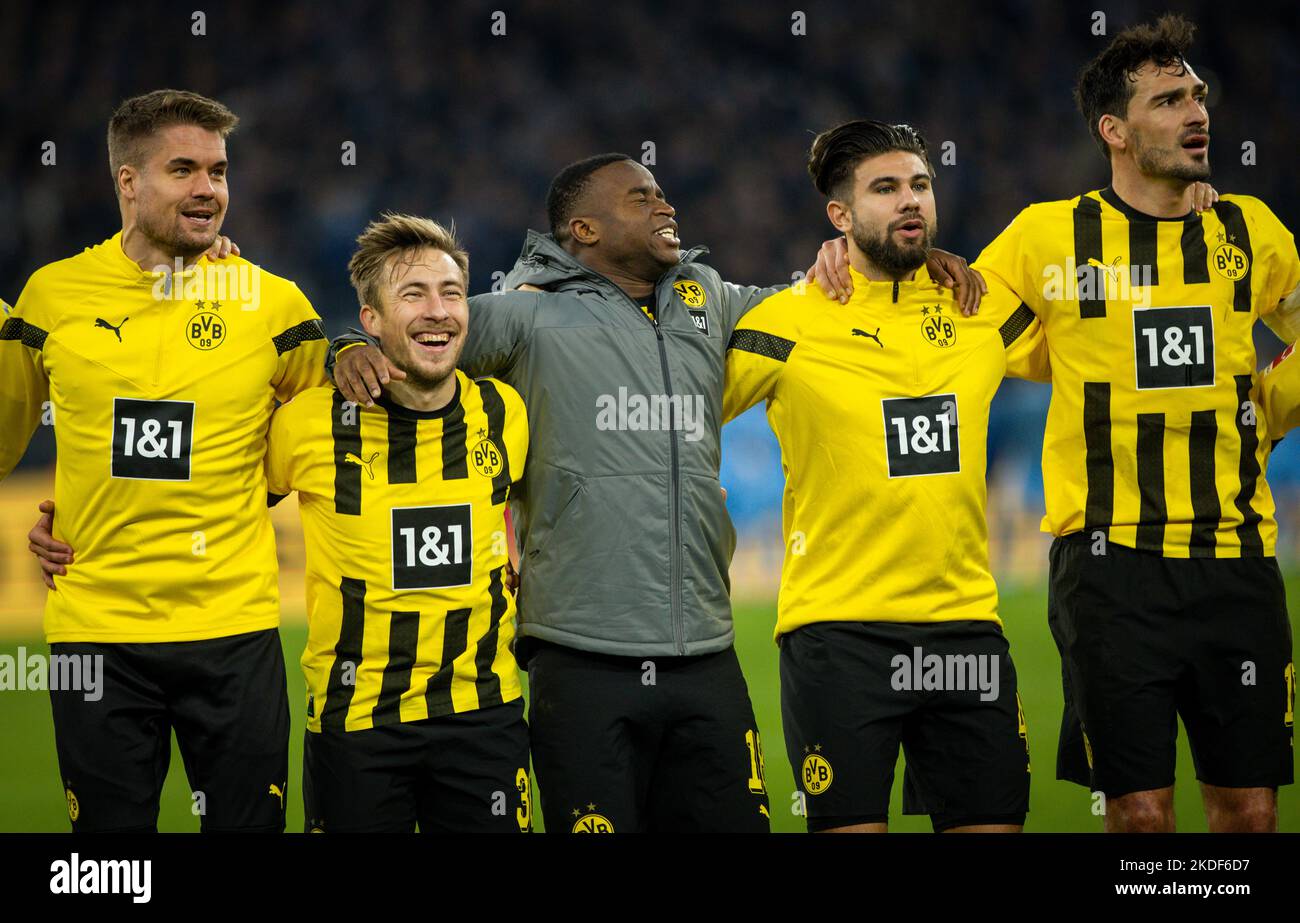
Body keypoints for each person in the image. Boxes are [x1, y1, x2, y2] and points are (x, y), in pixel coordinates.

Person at [330, 153, 988, 832]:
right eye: (640, 198)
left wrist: (872, 260)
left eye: (663, 194)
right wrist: (346, 348)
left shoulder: (711, 297)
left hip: (706, 649)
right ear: (582, 230)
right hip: (578, 655)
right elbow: (421, 331)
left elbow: (817, 308)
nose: (665, 207)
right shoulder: (530, 317)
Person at [814, 13, 1298, 833]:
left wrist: (1264, 410)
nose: (1197, 112)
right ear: (1114, 129)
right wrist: (848, 260)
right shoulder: (1047, 236)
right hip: (1110, 572)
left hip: (1238, 562)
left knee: (1248, 812)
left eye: (1199, 95)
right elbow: (958, 313)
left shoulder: (1248, 230)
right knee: (1140, 815)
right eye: (1170, 99)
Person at [3, 89, 328, 832]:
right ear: (128, 182)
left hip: (236, 629)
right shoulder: (49, 299)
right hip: (96, 636)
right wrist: (57, 515)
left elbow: (315, 444)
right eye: (183, 169)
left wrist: (249, 492)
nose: (208, 189)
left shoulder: (274, 306)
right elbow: (3, 442)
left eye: (217, 170)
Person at [725, 120, 1048, 833]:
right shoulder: (786, 320)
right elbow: (675, 406)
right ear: (838, 215)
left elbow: (1095, 349)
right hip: (838, 639)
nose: (912, 201)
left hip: (966, 631)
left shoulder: (981, 305)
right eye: (886, 188)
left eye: (921, 185)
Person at [266, 214, 531, 832]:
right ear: (371, 321)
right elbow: (226, 500)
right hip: (357, 722)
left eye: (451, 293)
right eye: (412, 295)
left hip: (484, 713)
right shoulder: (308, 422)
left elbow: (522, 511)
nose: (436, 311)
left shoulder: (503, 410)